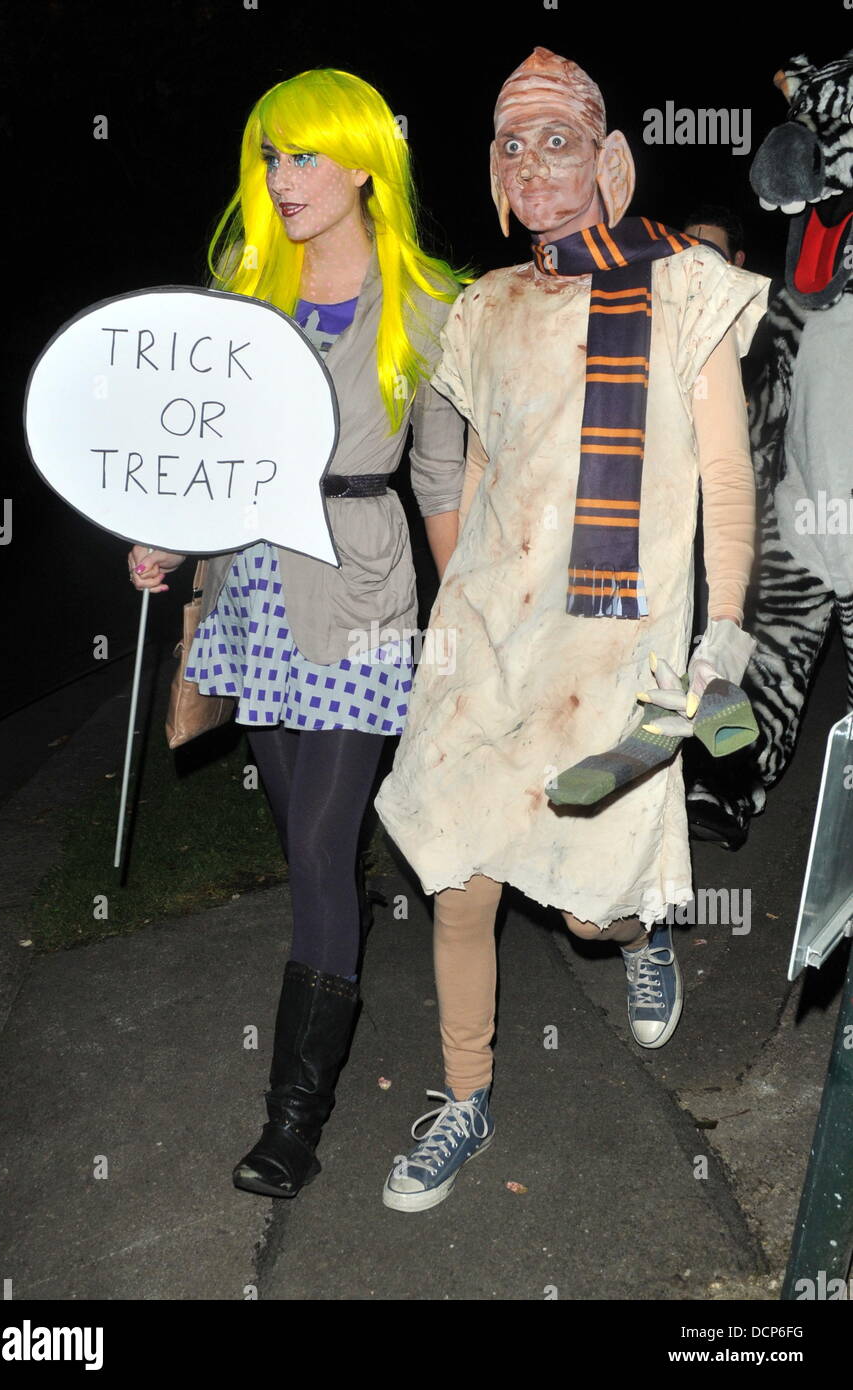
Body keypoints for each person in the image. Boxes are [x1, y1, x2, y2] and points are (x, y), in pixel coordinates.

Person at [374, 48, 770, 1212]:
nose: (532, 162)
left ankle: (637, 925)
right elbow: (486, 478)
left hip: (620, 641)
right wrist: (461, 623)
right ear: (493, 177)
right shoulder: (487, 307)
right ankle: (464, 1096)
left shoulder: (684, 284)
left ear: (608, 160)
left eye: (557, 140)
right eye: (510, 143)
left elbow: (725, 481)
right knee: (461, 878)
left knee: (590, 899)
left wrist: (728, 629)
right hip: (495, 636)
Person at [128, 68, 467, 1199]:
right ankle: (344, 921)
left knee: (320, 854)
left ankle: (292, 1124)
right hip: (254, 592)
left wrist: (469, 620)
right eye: (270, 158)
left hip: (364, 594)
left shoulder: (425, 305)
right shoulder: (242, 287)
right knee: (304, 840)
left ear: (365, 162)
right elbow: (197, 452)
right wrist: (163, 539)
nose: (281, 181)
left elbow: (438, 478)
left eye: (304, 157)